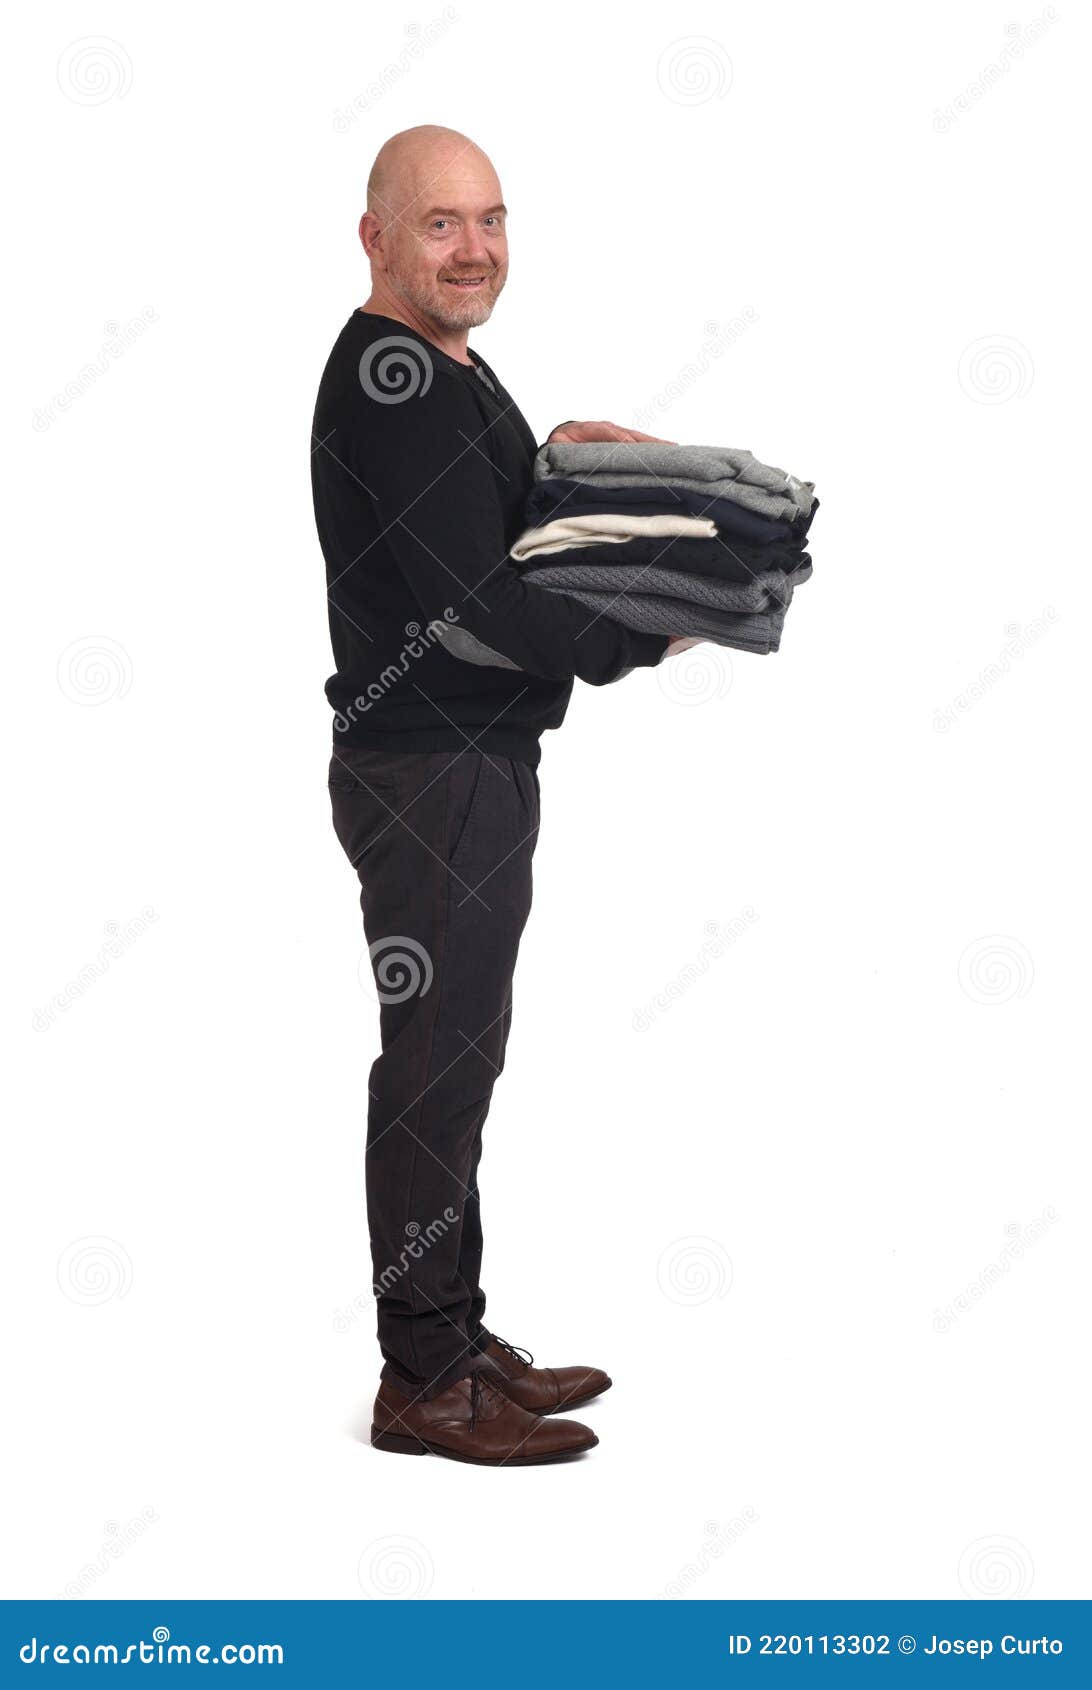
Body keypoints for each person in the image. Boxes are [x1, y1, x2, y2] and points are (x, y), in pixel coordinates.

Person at [312, 125, 685, 1465]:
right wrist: (642, 626)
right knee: (433, 1067)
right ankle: (422, 1376)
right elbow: (473, 603)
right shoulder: (397, 382)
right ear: (375, 237)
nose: (472, 249)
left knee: (458, 1058)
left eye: (489, 220)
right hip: (434, 771)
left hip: (465, 765)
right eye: (438, 225)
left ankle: (453, 1337)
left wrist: (566, 457)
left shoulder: (442, 372)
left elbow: (483, 521)